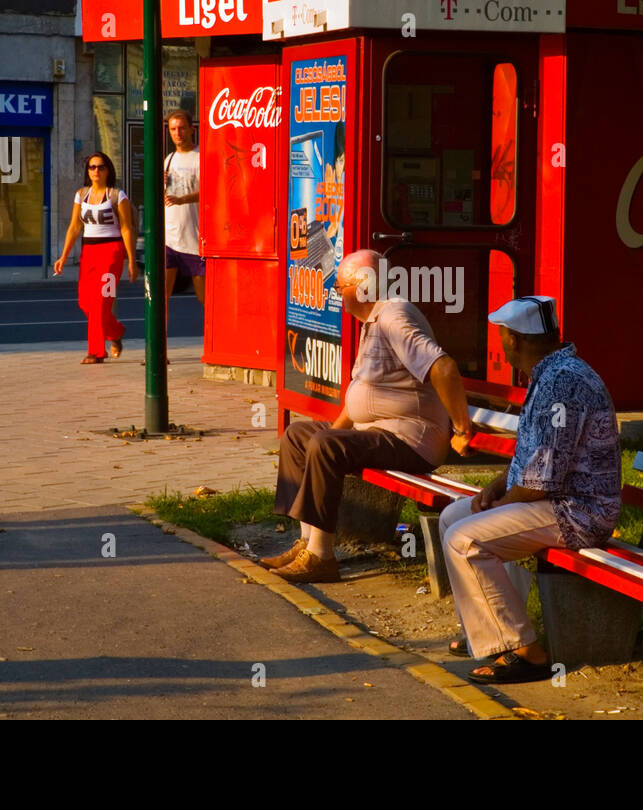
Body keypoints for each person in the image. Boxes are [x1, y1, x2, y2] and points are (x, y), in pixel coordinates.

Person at [263, 248, 474, 583]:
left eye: (340, 287)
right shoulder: (373, 319)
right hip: (380, 430)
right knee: (299, 436)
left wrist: (461, 428)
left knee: (326, 445)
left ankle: (321, 556)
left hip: (411, 439)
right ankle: (305, 542)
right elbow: (358, 396)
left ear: (363, 285)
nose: (337, 293)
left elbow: (443, 367)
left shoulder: (394, 316)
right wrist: (330, 433)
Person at [439, 296, 620, 684]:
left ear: (515, 341)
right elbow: (534, 457)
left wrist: (501, 503)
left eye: (502, 335)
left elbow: (542, 483)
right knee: (453, 515)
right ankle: (486, 633)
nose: (501, 344)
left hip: (578, 512)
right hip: (557, 500)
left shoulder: (563, 382)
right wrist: (496, 487)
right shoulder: (552, 372)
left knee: (464, 539)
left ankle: (525, 652)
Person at [53, 152, 138, 363]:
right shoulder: (81, 195)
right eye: (92, 167)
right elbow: (74, 227)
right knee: (85, 302)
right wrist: (63, 256)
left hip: (112, 253)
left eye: (100, 167)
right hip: (89, 252)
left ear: (108, 170)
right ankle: (115, 332)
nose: (96, 171)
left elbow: (127, 229)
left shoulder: (118, 195)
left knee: (102, 302)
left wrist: (132, 261)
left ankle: (96, 351)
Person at [163, 110, 204, 335]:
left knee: (205, 298)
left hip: (194, 238)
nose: (177, 133)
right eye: (173, 129)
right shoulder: (168, 160)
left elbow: (210, 191)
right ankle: (160, 352)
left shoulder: (200, 157)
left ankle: (217, 341)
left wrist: (182, 199)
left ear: (191, 129)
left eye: (181, 128)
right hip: (169, 238)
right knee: (161, 298)